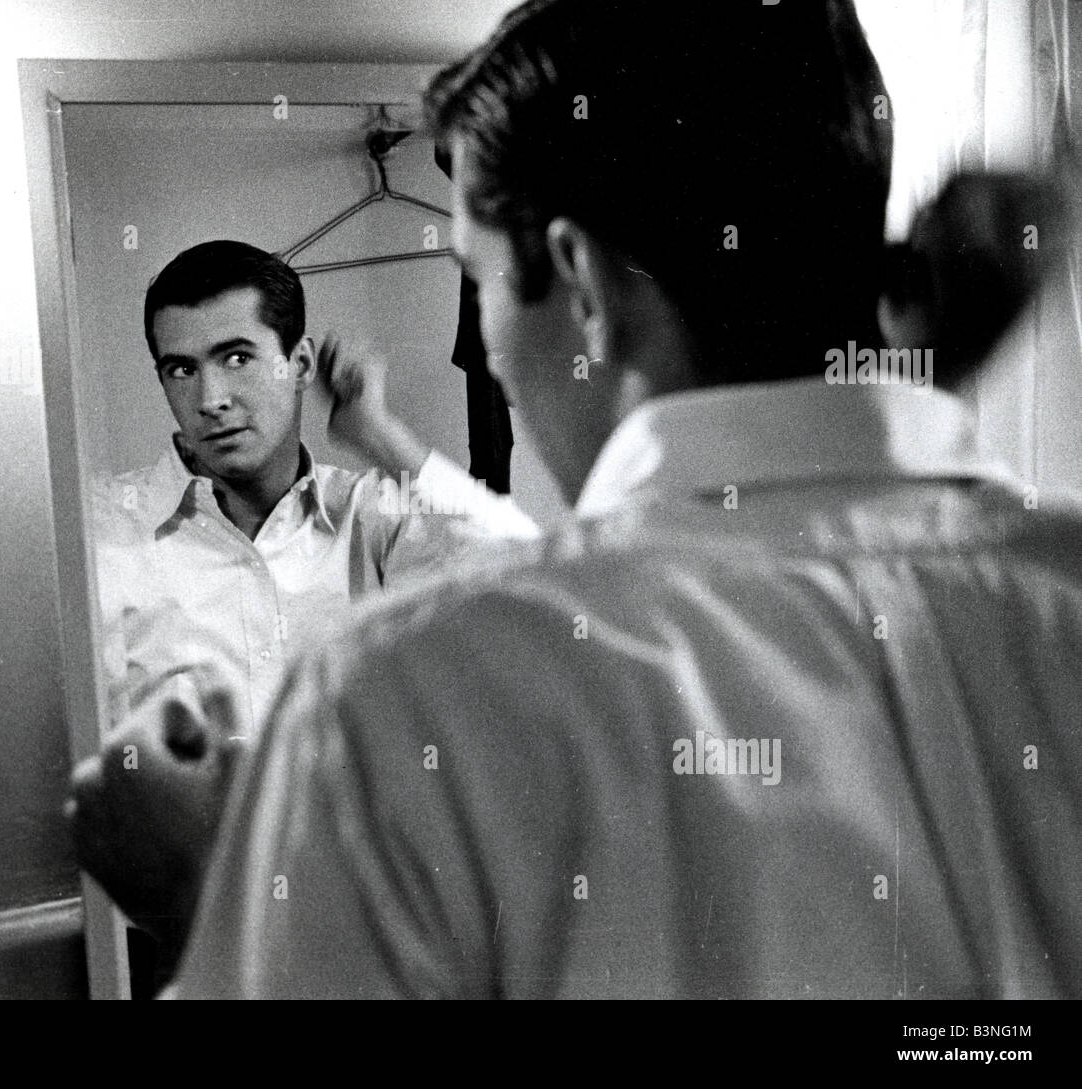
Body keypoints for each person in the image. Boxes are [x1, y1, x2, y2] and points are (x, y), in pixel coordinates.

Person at [150, 0, 1082, 999]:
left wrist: (213, 885)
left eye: (478, 281)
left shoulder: (393, 702)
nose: (492, 352)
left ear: (581, 283)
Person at [71, 239, 537, 956]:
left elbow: (526, 571)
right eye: (180, 369)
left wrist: (377, 433)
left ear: (299, 362)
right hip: (180, 951)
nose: (211, 399)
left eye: (237, 357)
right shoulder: (100, 532)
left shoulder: (373, 517)